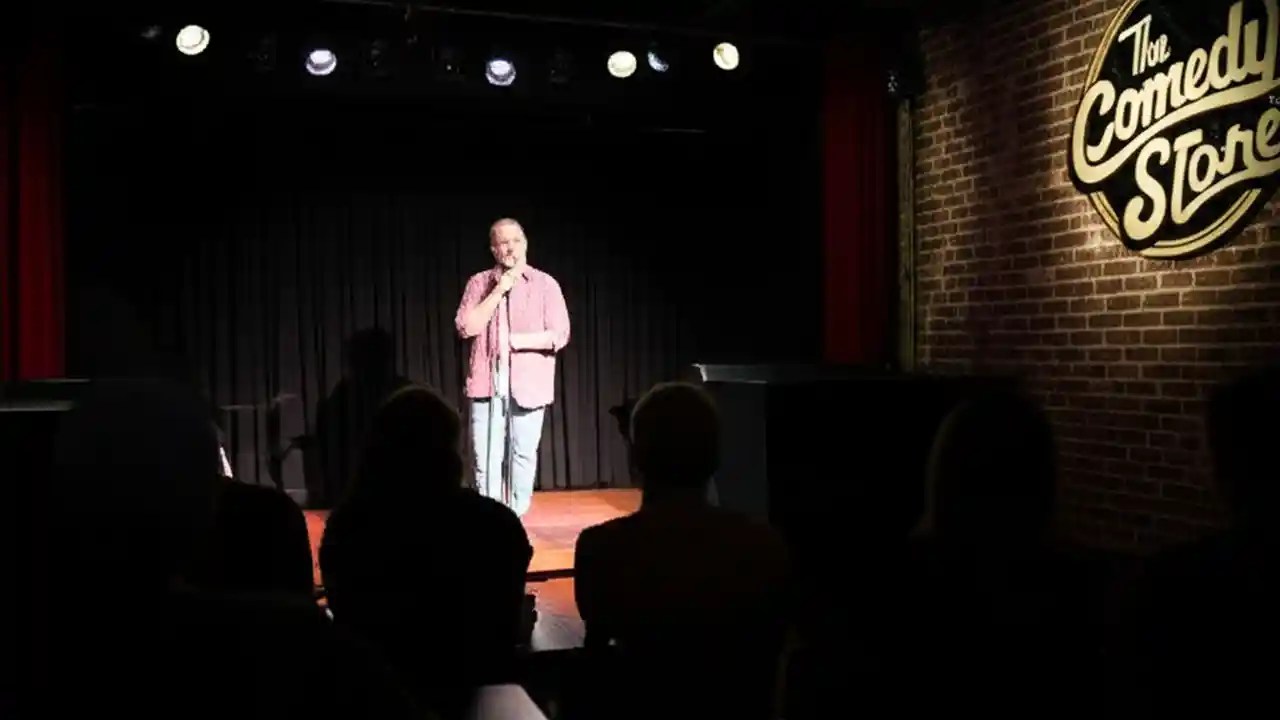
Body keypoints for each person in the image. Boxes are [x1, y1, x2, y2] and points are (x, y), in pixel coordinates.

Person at [454, 218, 570, 516]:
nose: (510, 248)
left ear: (525, 244)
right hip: (486, 385)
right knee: (485, 457)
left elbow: (560, 334)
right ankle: (489, 517)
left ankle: (516, 515)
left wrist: (516, 341)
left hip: (529, 385)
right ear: (494, 249)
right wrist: (498, 291)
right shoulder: (479, 283)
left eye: (516, 240)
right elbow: (466, 327)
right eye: (503, 242)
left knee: (522, 454)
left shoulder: (546, 285)